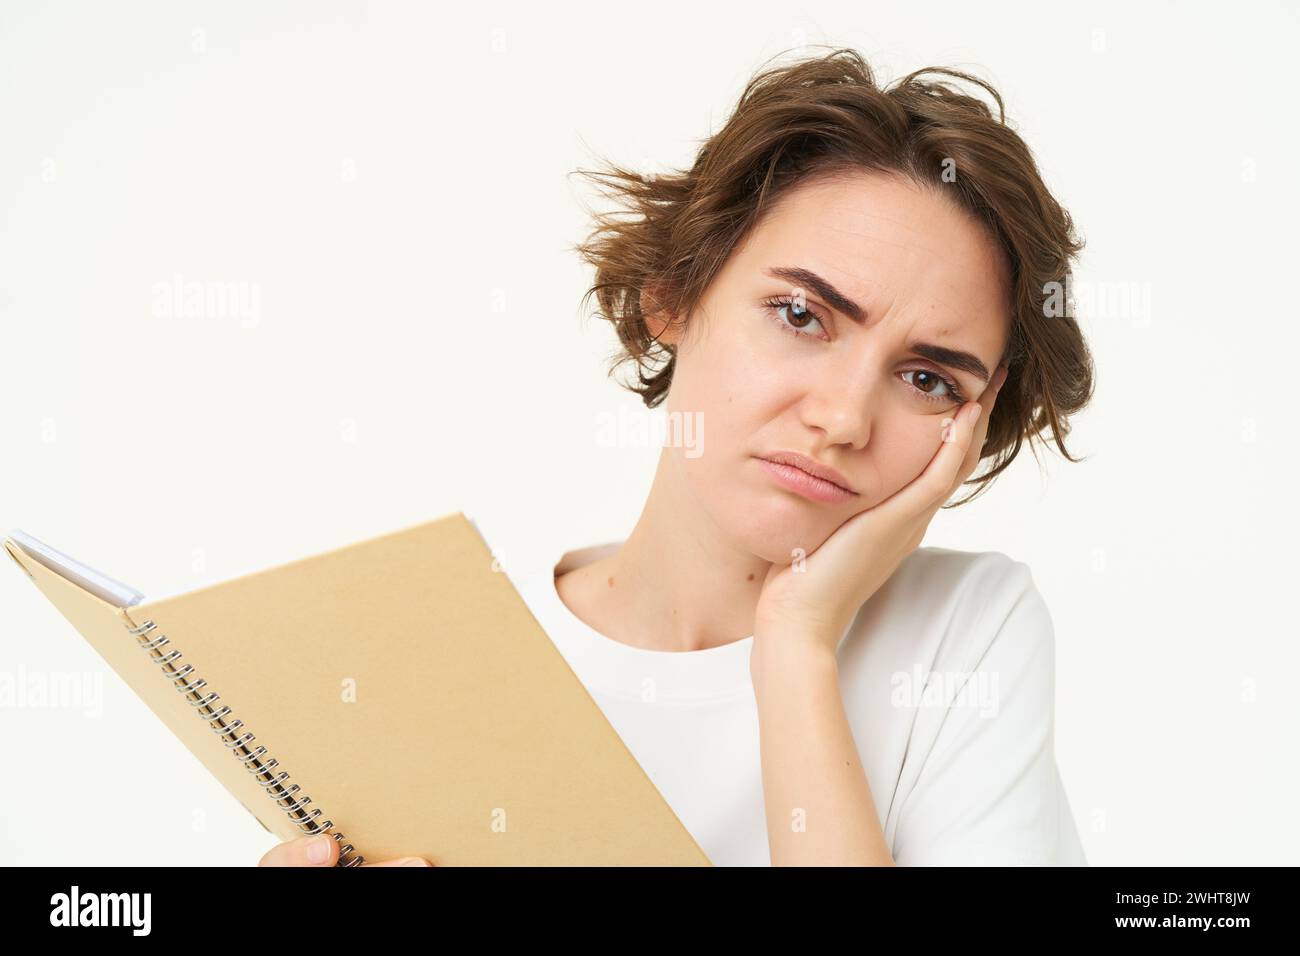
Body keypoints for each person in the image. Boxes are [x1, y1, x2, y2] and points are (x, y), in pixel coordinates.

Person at [260, 45, 1094, 867]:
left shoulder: (965, 633)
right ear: (674, 293)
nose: (843, 418)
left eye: (925, 378)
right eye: (801, 316)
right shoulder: (445, 652)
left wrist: (796, 645)